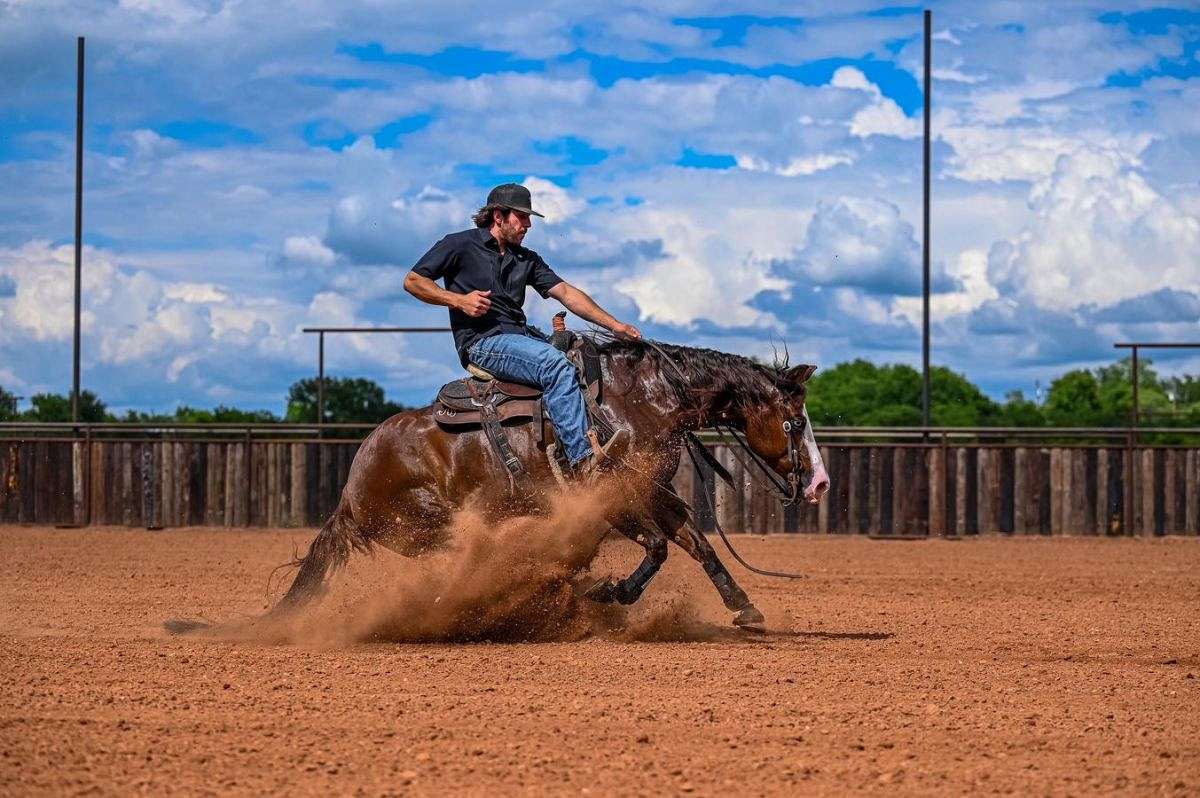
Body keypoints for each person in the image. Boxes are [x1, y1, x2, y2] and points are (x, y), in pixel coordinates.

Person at [404, 182, 641, 477]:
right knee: (554, 365)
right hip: (483, 342)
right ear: (498, 216)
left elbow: (566, 292)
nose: (528, 224)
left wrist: (615, 325)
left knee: (586, 357)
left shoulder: (526, 259)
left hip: (521, 338)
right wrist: (458, 300)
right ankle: (583, 463)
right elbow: (413, 281)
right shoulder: (459, 245)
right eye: (522, 216)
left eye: (529, 218)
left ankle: (592, 439)